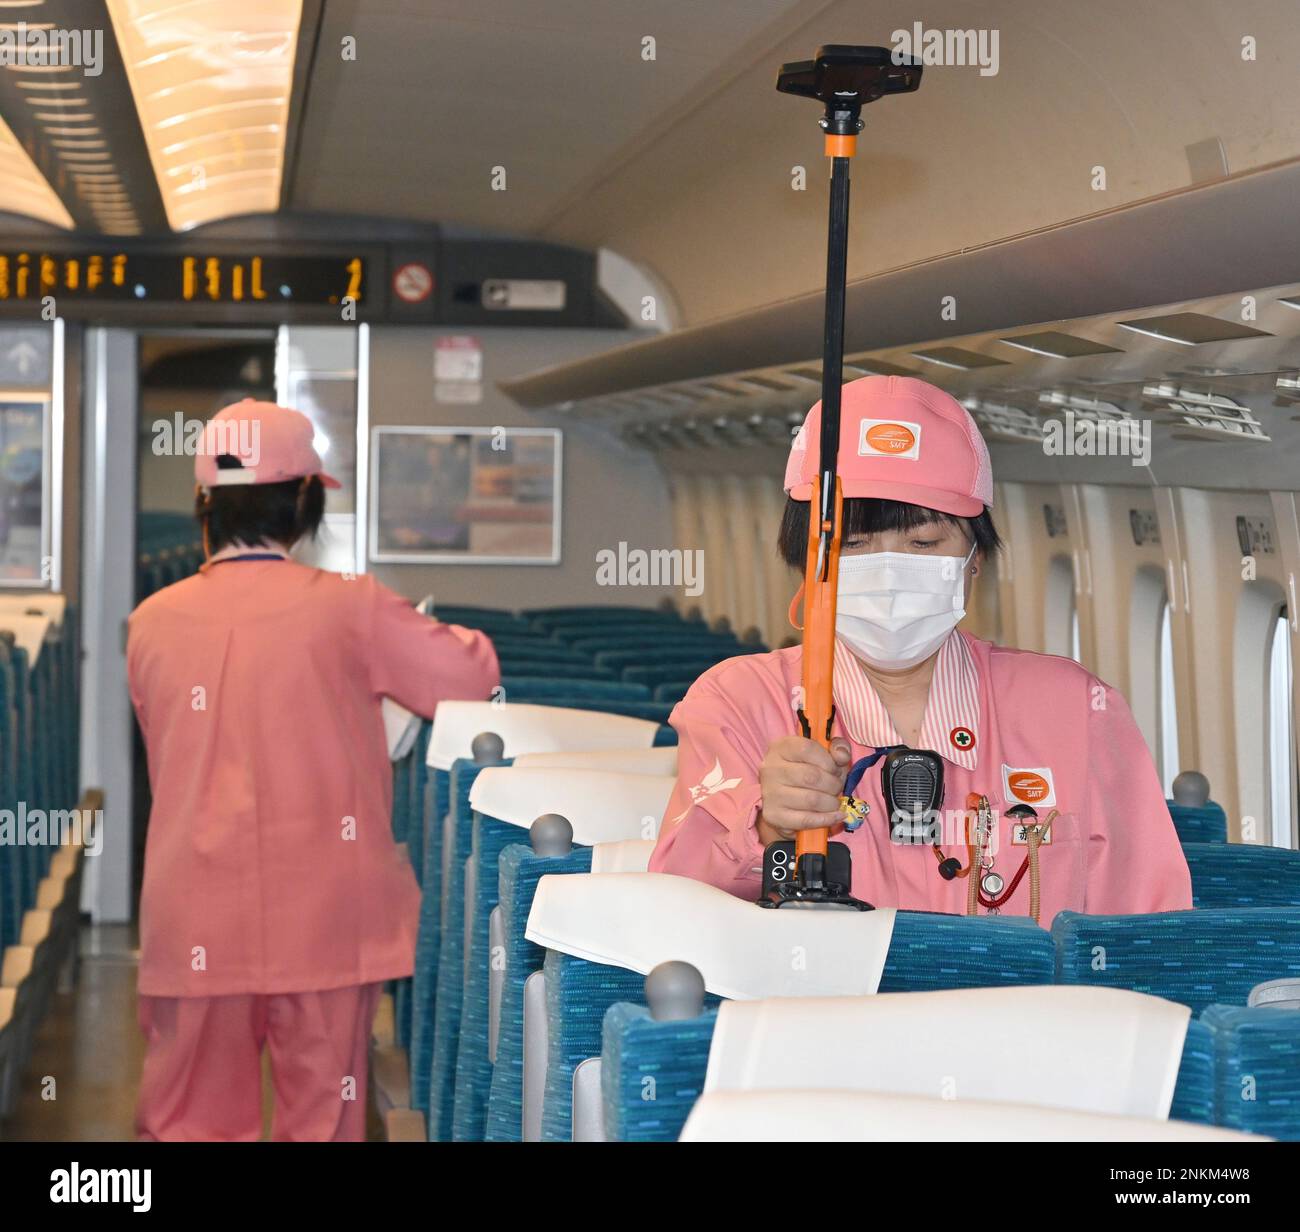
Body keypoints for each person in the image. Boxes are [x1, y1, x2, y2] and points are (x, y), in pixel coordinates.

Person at [651, 375, 1192, 919]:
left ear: (974, 559)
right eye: (855, 546)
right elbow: (675, 915)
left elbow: (1144, 932)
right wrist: (767, 827)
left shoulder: (1077, 709)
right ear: (807, 563)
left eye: (924, 542)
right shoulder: (738, 704)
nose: (889, 570)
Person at [127, 399, 499, 1141]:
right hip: (327, 921)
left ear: (205, 504)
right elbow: (471, 676)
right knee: (324, 1122)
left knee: (187, 1125)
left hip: (194, 911)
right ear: (305, 501)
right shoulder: (352, 608)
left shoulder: (151, 621)